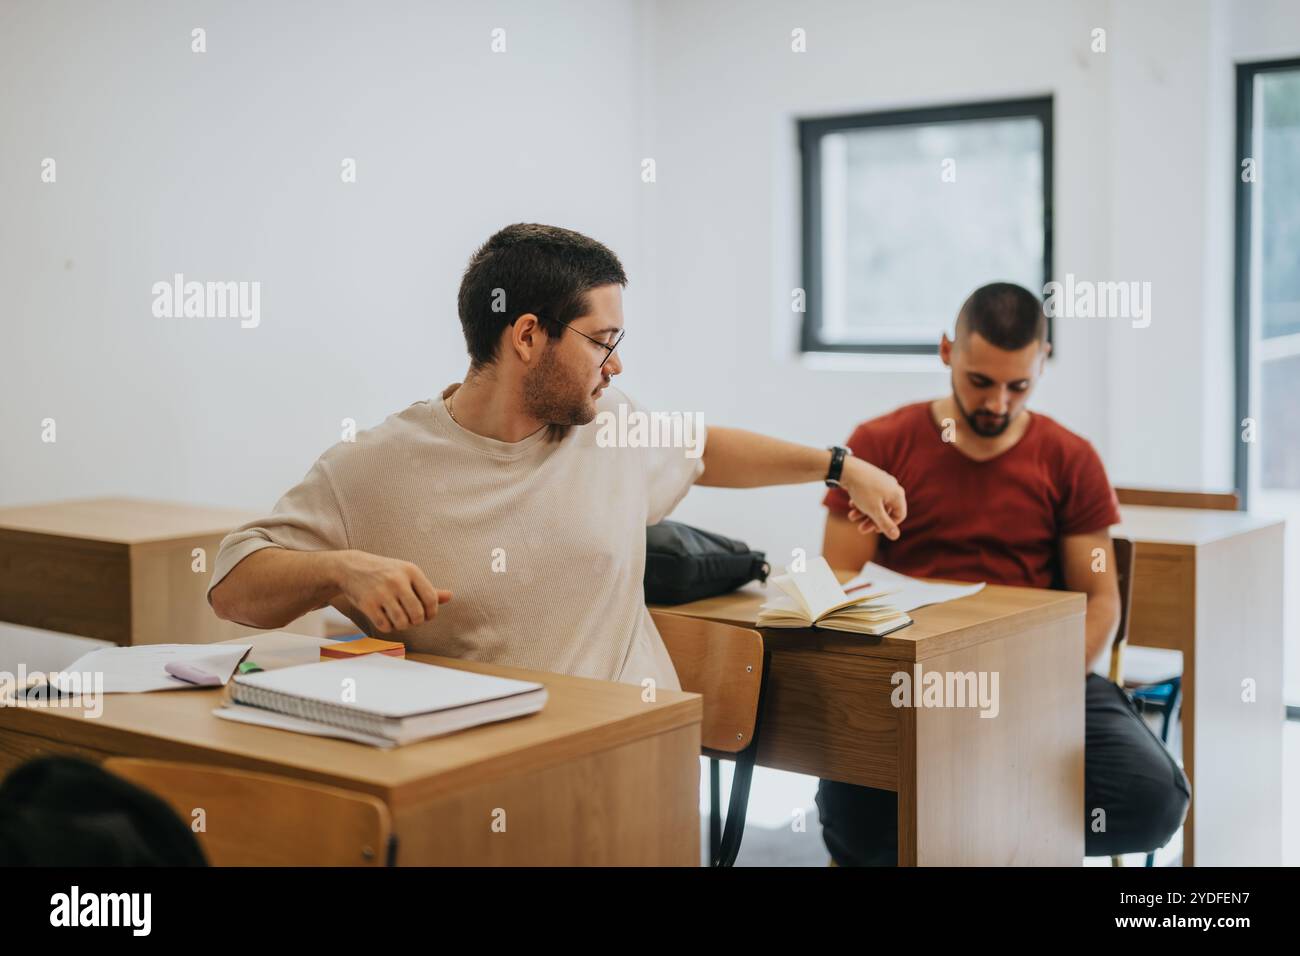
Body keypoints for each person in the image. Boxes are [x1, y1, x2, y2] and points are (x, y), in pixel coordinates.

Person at [209, 222, 908, 692]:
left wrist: (840, 466)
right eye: (601, 341)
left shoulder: (611, 428)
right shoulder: (374, 467)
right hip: (484, 772)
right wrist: (338, 568)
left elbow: (705, 448)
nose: (617, 365)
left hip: (632, 752)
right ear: (526, 337)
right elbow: (235, 588)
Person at [817, 282, 1190, 863]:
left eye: (1019, 385)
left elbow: (1100, 598)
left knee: (1152, 798)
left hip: (1042, 675)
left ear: (1042, 362)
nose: (997, 403)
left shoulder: (1070, 458)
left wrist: (1037, 689)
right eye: (980, 382)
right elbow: (837, 573)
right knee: (855, 820)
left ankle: (974, 829)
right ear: (947, 352)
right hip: (912, 677)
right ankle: (982, 826)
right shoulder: (879, 444)